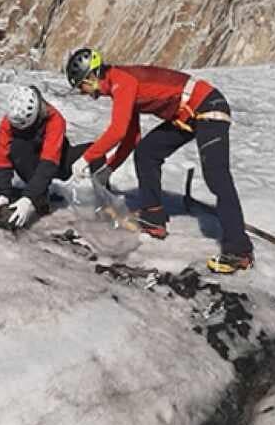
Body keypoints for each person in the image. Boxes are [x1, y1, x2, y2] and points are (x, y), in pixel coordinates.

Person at [64, 48, 254, 273]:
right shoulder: (120, 84)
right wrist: (110, 168)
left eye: (81, 86)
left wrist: (87, 158)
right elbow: (131, 136)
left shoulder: (121, 82)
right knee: (147, 152)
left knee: (216, 175)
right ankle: (154, 218)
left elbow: (117, 131)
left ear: (91, 77)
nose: (83, 93)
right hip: (186, 114)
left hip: (207, 106)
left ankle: (239, 251)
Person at [0, 85, 89, 227]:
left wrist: (28, 197)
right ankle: (41, 197)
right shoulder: (7, 122)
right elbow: (3, 161)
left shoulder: (55, 119)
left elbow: (48, 163)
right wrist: (3, 194)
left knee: (93, 153)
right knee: (18, 147)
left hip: (56, 160)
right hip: (28, 161)